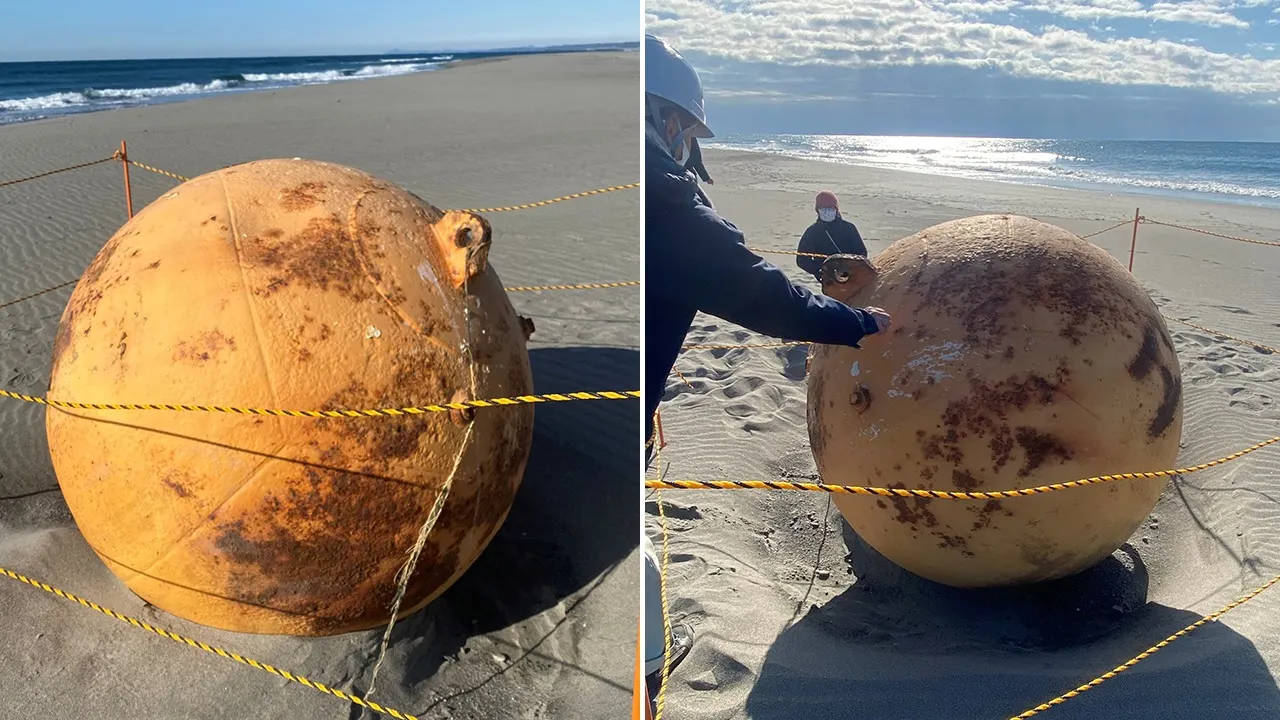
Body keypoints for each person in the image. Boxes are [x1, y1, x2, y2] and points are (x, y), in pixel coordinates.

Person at [642, 32, 892, 712]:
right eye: (687, 130)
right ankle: (648, 663)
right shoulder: (663, 199)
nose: (689, 145)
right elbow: (758, 292)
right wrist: (860, 323)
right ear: (671, 122)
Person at [795, 191, 867, 280]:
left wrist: (850, 267)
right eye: (823, 208)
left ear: (836, 209)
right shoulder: (812, 232)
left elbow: (862, 253)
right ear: (817, 210)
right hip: (829, 281)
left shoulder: (849, 228)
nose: (827, 211)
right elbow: (802, 259)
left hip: (852, 276)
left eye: (830, 207)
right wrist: (821, 271)